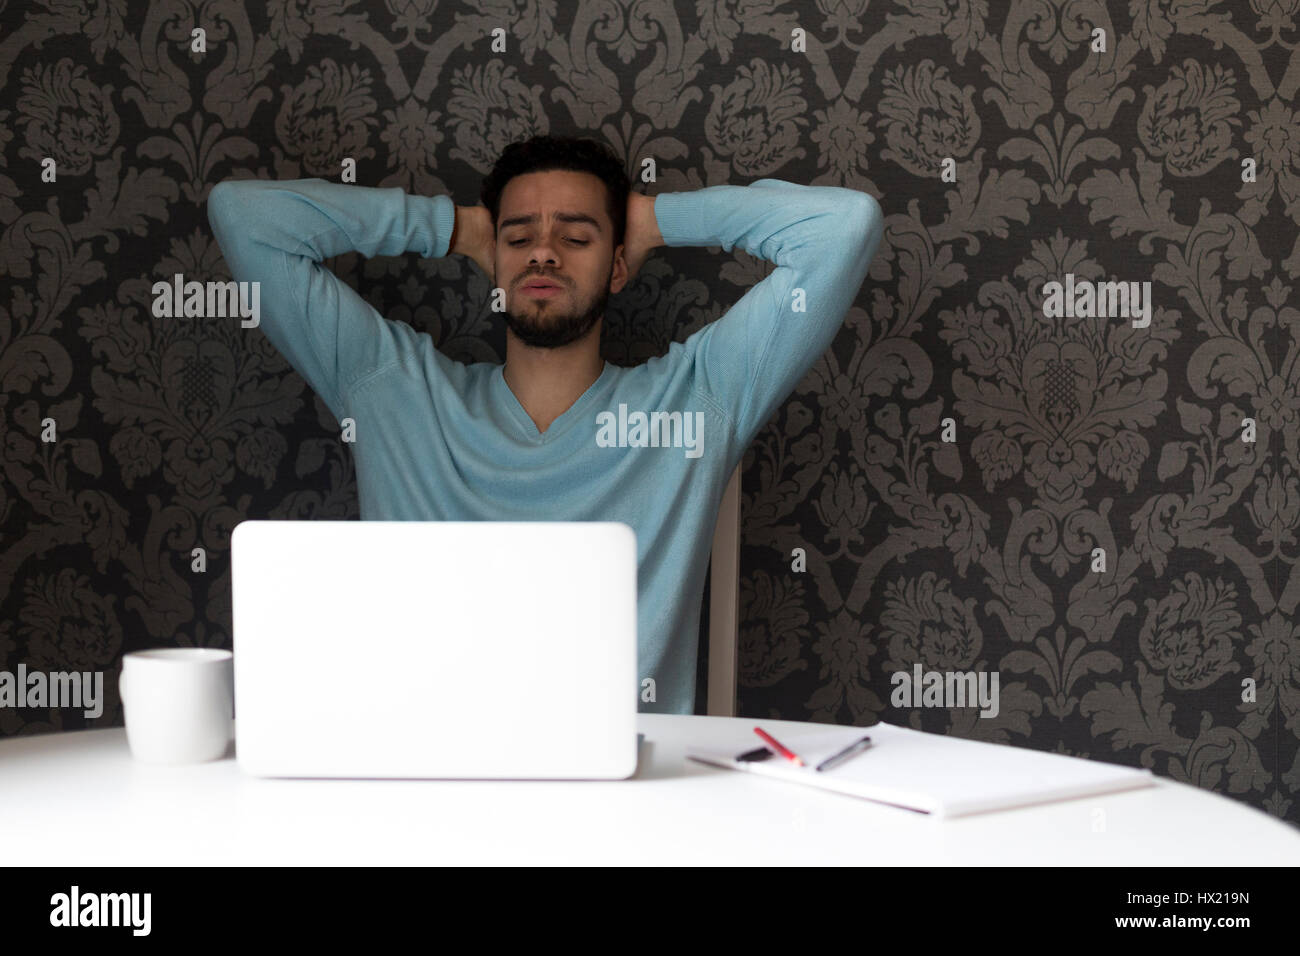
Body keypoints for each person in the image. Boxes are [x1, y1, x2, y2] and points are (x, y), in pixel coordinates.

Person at [207, 134, 884, 714]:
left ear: (619, 265)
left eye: (578, 236)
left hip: (629, 808)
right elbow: (244, 216)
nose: (544, 254)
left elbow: (844, 227)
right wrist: (458, 229)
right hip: (424, 794)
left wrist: (650, 221)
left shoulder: (697, 401)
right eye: (520, 237)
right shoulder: (392, 391)